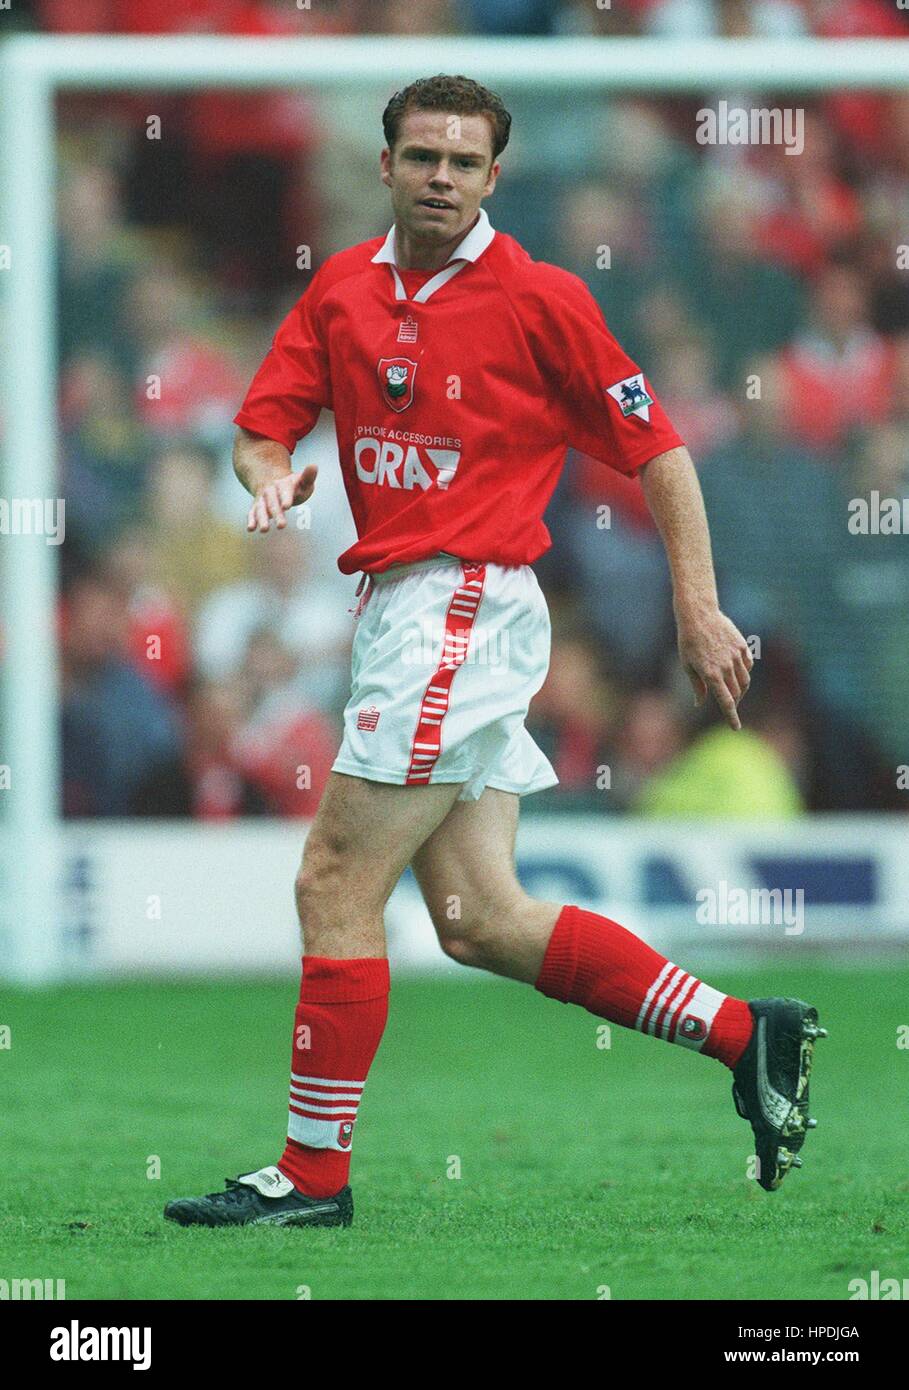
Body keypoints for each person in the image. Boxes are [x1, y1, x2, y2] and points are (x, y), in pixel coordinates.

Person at [164, 75, 824, 1230]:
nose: (441, 177)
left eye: (464, 163)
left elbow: (658, 451)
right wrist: (269, 483)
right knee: (476, 915)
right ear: (385, 165)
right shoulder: (342, 290)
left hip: (461, 603)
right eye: (423, 156)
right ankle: (743, 1033)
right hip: (405, 609)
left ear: (492, 178)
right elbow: (259, 428)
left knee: (332, 881)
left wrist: (698, 608)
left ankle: (313, 1179)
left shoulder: (539, 297)